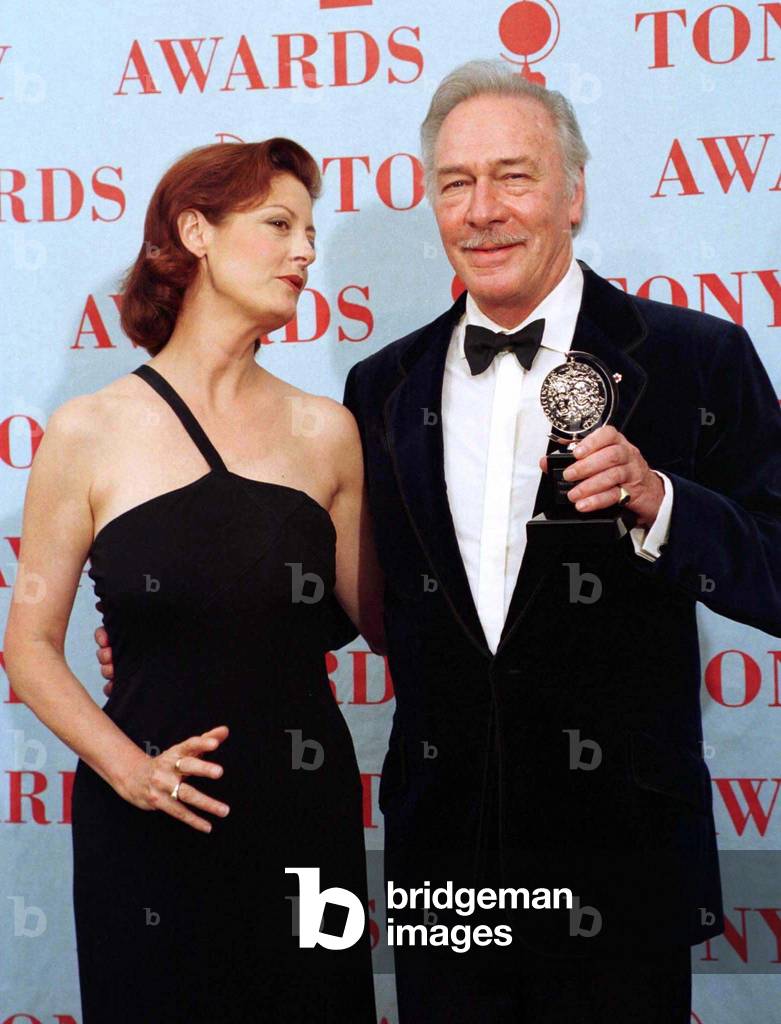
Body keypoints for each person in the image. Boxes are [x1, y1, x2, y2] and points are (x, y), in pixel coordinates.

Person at [336, 61, 780, 1022]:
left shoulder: (695, 358)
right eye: (455, 183)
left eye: (513, 176)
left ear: (573, 194)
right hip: (446, 868)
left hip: (619, 858)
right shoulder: (383, 385)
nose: (482, 210)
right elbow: (361, 586)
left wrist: (662, 499)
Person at [4, 138, 382, 1023]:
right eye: (279, 225)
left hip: (301, 817)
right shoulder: (87, 431)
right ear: (195, 231)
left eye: (312, 232)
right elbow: (27, 646)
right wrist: (129, 772)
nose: (305, 253)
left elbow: (377, 614)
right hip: (148, 825)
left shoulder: (327, 431)